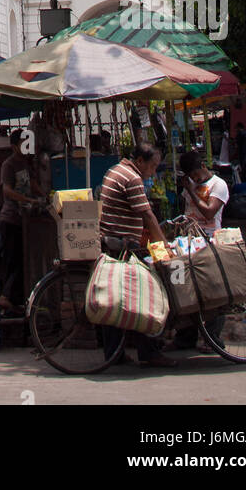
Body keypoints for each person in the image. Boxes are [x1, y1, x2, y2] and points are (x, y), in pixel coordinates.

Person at [98, 144, 175, 367]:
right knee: (148, 297)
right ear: (140, 161)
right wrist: (164, 246)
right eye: (151, 166)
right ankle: (149, 352)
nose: (152, 171)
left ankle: (114, 353)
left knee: (115, 301)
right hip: (122, 246)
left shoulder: (116, 170)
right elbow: (148, 216)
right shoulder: (132, 178)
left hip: (115, 243)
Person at [0, 129, 47, 314]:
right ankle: (5, 298)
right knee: (12, 260)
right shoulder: (8, 165)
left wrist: (45, 196)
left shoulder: (25, 162)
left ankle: (14, 300)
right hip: (9, 220)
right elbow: (7, 191)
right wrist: (27, 200)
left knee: (21, 259)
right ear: (14, 146)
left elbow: (32, 184)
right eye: (23, 143)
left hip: (23, 220)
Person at [178, 151, 230, 237]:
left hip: (210, 237)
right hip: (189, 235)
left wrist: (191, 191)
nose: (194, 178)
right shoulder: (189, 183)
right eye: (191, 176)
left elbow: (209, 213)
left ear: (203, 166)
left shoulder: (218, 184)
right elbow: (185, 207)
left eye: (195, 174)